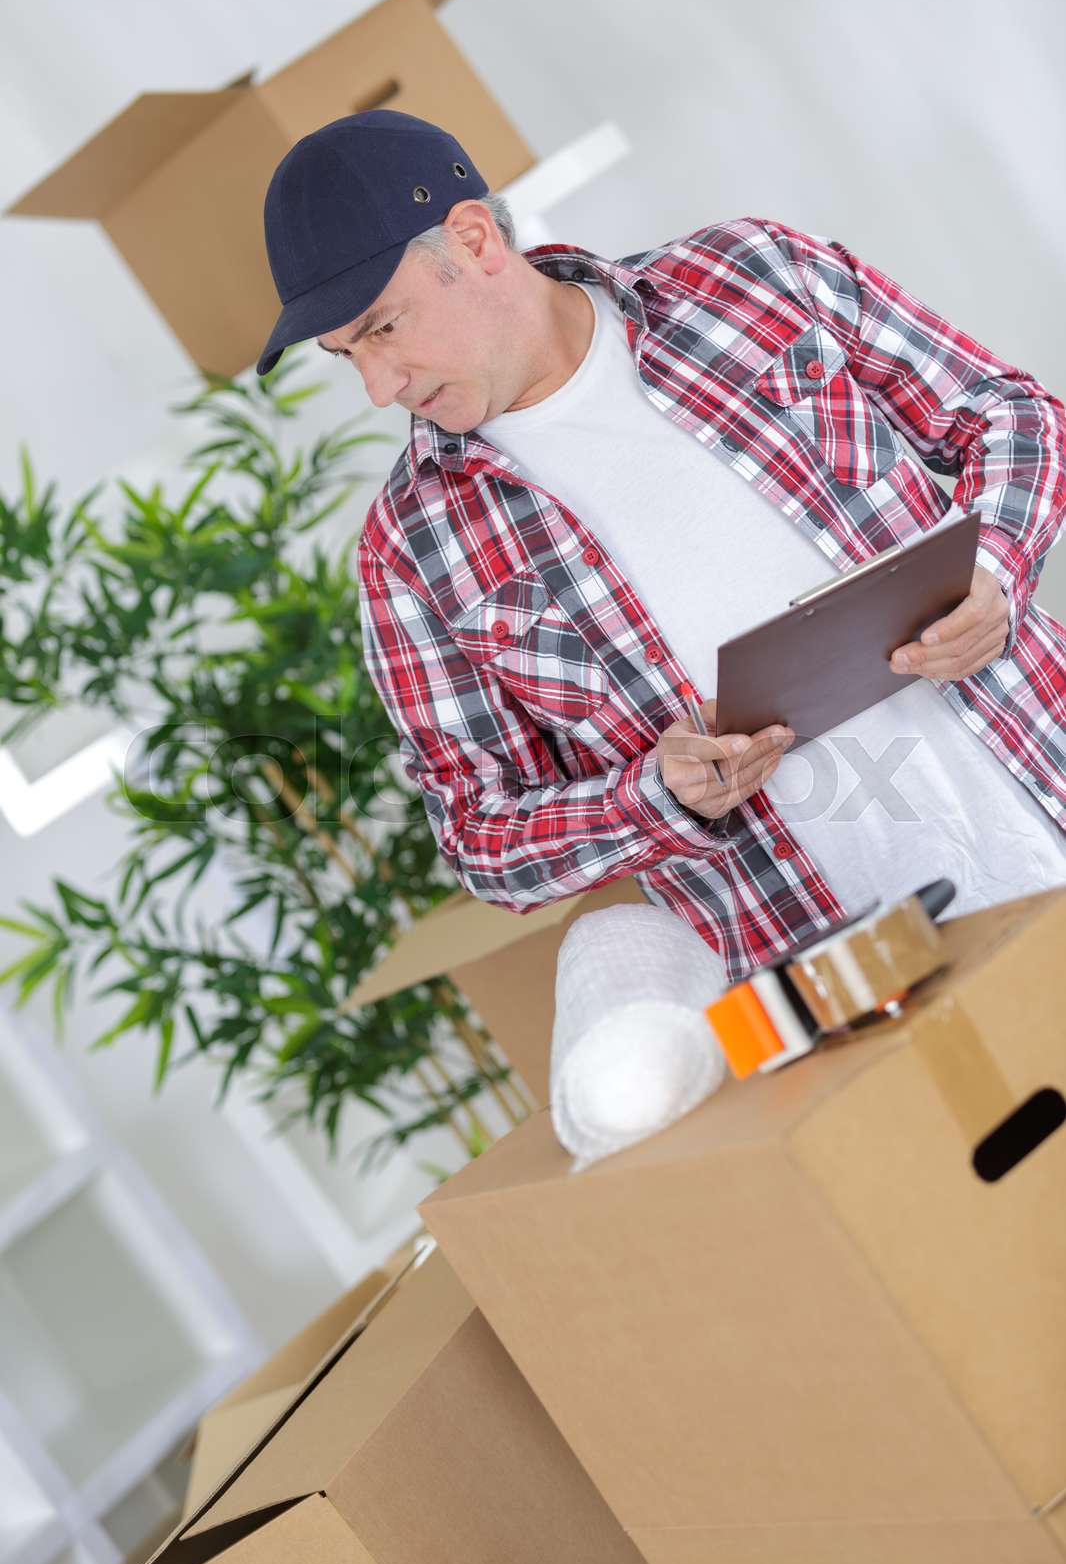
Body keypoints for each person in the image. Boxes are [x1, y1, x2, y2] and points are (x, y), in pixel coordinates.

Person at [257, 109, 1066, 982]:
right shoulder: (411, 549)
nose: (380, 387)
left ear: (475, 238)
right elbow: (479, 833)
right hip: (854, 978)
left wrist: (994, 574)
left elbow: (1008, 414)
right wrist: (653, 798)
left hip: (1041, 776)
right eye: (347, 356)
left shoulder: (755, 275)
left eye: (383, 328)